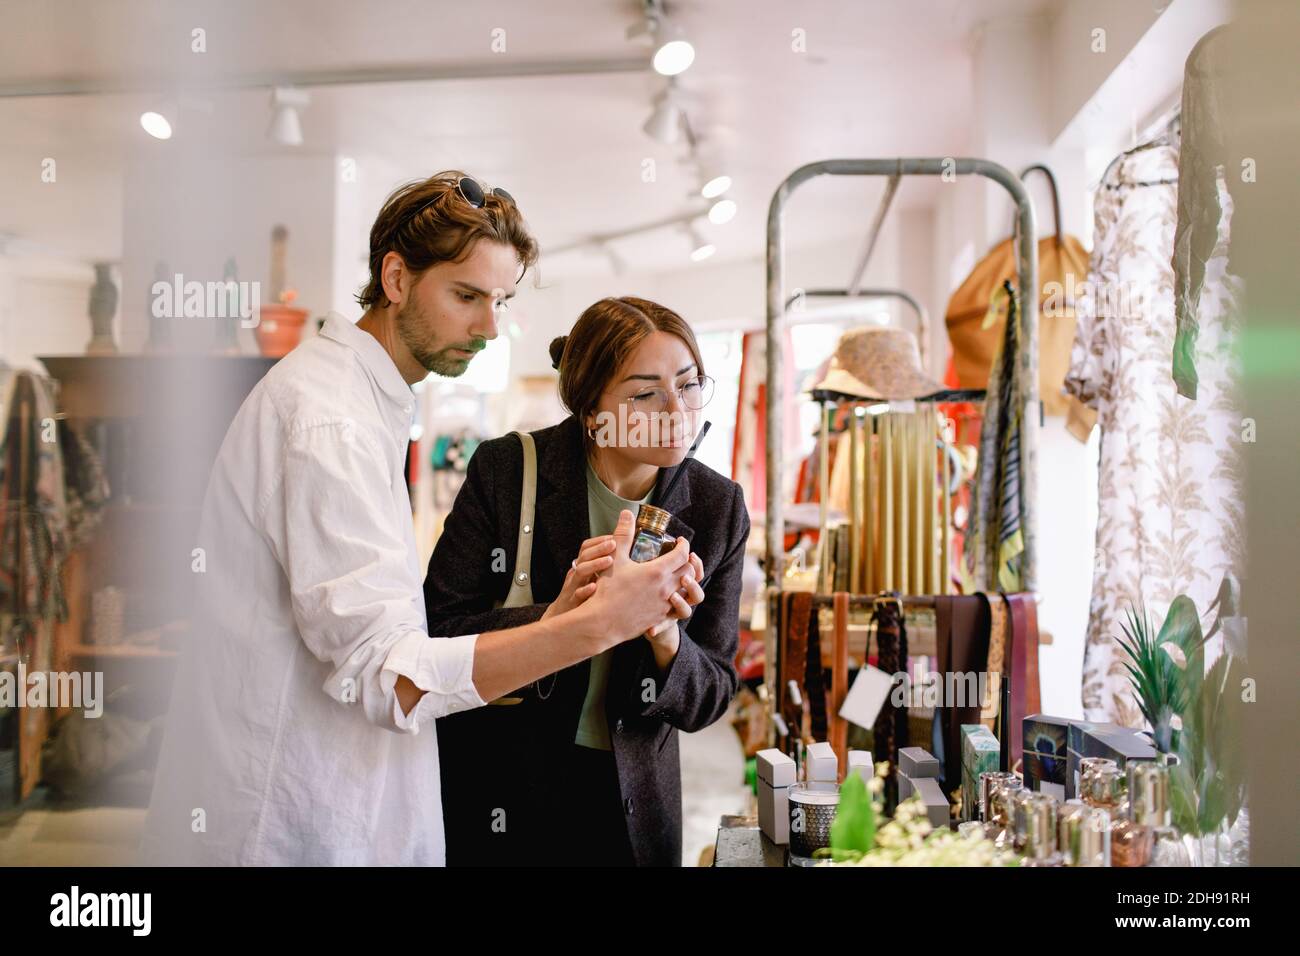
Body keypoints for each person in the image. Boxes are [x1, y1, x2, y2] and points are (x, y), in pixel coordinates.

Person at [140, 175, 698, 865]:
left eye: (500, 301)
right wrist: (595, 625)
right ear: (396, 277)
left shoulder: (367, 403)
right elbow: (389, 677)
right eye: (466, 296)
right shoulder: (328, 421)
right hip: (281, 821)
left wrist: (565, 614)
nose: (490, 328)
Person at [425, 296, 750, 866]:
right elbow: (438, 629)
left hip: (633, 808)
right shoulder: (507, 471)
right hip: (505, 789)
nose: (677, 408)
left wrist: (666, 638)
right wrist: (559, 620)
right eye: (645, 393)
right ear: (592, 411)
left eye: (690, 383)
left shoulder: (718, 507)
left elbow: (713, 695)